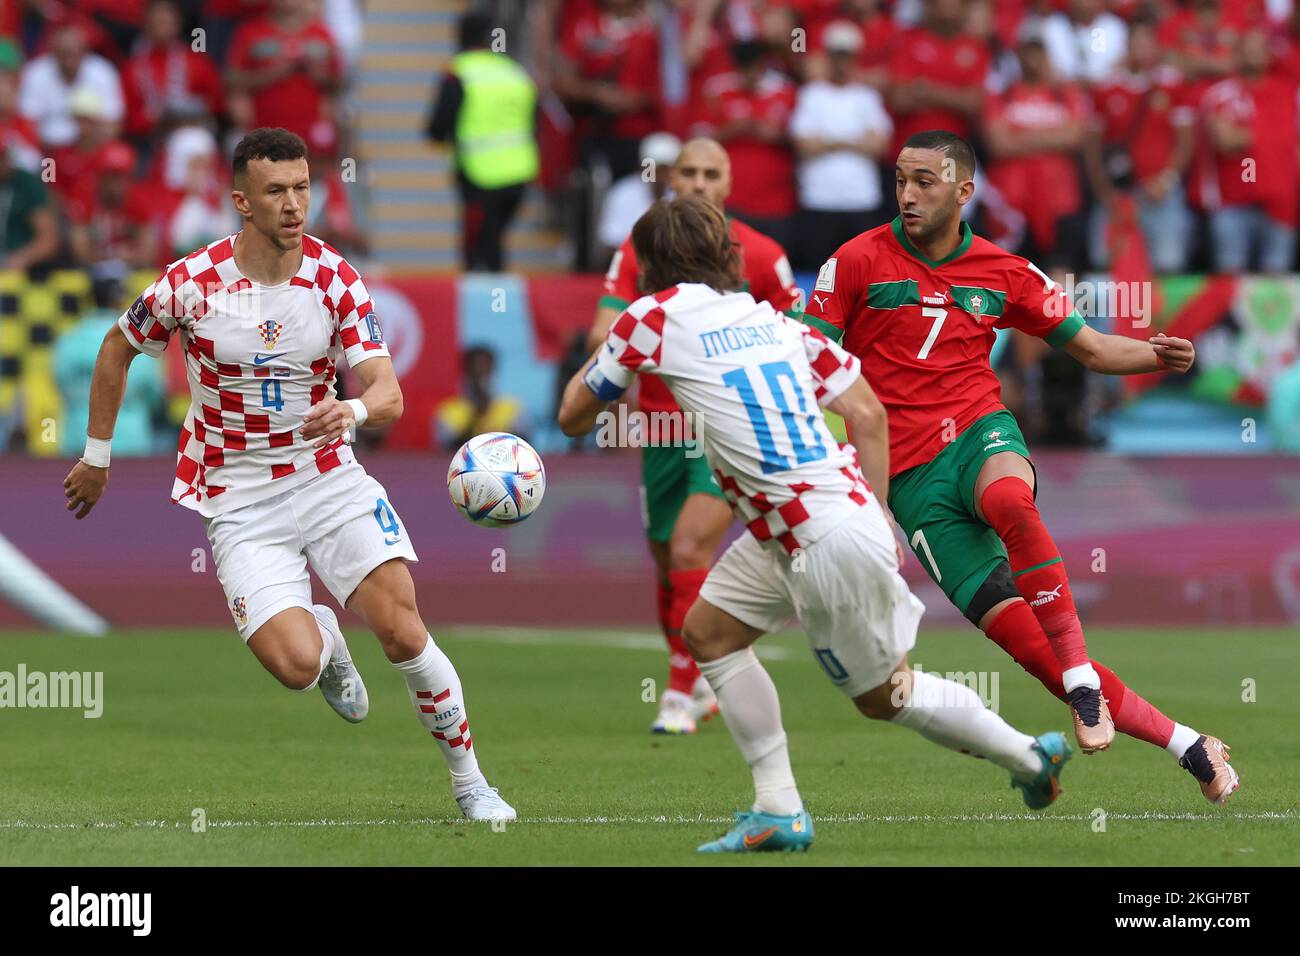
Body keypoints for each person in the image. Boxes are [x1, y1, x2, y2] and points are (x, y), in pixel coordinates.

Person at [558, 194, 1072, 853]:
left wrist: (614, 374)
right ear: (725, 254)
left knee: (887, 696)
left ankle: (1030, 757)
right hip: (815, 518)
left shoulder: (648, 319)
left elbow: (575, 415)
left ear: (650, 264)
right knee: (708, 634)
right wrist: (881, 511)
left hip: (819, 537)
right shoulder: (777, 324)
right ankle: (777, 808)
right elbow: (867, 413)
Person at [61, 127, 516, 823]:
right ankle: (328, 644)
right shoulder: (191, 283)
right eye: (276, 191)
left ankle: (472, 782)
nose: (294, 203)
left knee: (402, 629)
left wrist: (353, 408)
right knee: (296, 666)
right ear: (241, 201)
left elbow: (388, 392)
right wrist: (97, 456)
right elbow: (117, 348)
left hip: (327, 478)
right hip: (239, 499)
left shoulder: (334, 277)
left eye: (303, 187)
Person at [804, 129, 1239, 804]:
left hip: (979, 431)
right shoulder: (856, 263)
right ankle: (1189, 744)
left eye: (924, 181)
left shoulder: (1007, 272)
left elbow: (1092, 348)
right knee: (1032, 652)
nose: (908, 194)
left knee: (1010, 502)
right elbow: (808, 366)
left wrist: (1155, 354)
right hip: (911, 483)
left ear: (963, 190)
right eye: (900, 180)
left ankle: (1082, 680)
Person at [588, 137, 802, 735]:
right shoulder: (639, 248)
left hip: (729, 429)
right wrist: (615, 354)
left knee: (687, 549)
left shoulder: (761, 254)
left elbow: (803, 335)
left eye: (713, 173)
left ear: (729, 184)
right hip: (659, 427)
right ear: (670, 179)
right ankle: (703, 675)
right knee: (666, 561)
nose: (701, 183)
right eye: (690, 172)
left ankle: (679, 694)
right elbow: (603, 325)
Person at [427, 12, 539, 272]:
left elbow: (436, 129)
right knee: (494, 241)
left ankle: (486, 307)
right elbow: (534, 120)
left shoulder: (458, 72)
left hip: (480, 176)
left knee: (479, 253)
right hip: (520, 173)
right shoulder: (515, 72)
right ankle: (500, 299)